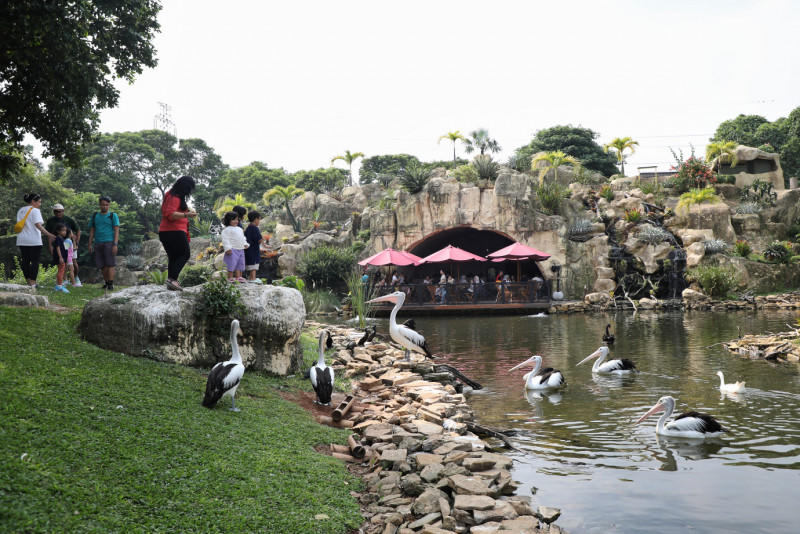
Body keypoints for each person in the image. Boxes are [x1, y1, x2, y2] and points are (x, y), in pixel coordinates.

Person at [159, 176, 197, 291]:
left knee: (174, 257)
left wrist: (187, 212)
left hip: (165, 231)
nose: (190, 191)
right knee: (185, 254)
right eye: (190, 188)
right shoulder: (174, 197)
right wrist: (187, 215)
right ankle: (172, 279)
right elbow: (170, 215)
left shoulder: (171, 194)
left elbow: (172, 211)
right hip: (174, 231)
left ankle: (171, 282)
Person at [15, 193, 56, 287]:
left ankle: (28, 281)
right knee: (35, 261)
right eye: (39, 202)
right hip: (33, 240)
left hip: (22, 239)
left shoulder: (20, 210)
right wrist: (49, 235)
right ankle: (33, 283)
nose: (40, 204)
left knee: (25, 261)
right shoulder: (35, 211)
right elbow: (38, 225)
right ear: (33, 201)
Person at [87, 195, 120, 290]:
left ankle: (111, 284)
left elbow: (116, 230)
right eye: (102, 204)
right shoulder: (95, 216)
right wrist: (90, 244)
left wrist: (115, 244)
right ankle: (106, 283)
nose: (104, 206)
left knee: (110, 264)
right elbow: (92, 230)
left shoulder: (113, 215)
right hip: (98, 242)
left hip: (109, 242)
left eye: (106, 205)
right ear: (99, 205)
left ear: (109, 205)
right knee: (102, 265)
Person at [45, 203, 82, 286]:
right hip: (60, 243)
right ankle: (65, 279)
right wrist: (50, 245)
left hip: (69, 243)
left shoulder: (68, 219)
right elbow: (49, 233)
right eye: (55, 212)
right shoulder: (51, 221)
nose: (58, 213)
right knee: (63, 263)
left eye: (59, 212)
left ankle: (76, 277)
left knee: (74, 262)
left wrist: (76, 243)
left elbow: (78, 230)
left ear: (63, 211)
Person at [221, 211, 249, 282]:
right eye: (233, 219)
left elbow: (242, 238)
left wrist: (245, 243)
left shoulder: (239, 229)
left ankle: (238, 277)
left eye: (237, 219)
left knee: (239, 265)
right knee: (231, 264)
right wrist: (227, 248)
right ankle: (230, 277)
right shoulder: (226, 230)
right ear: (228, 220)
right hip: (232, 250)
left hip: (241, 249)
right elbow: (226, 240)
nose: (236, 221)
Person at [244, 210, 265, 283]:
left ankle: (251, 278)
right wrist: (265, 245)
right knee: (254, 264)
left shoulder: (247, 228)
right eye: (259, 219)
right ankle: (253, 279)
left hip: (248, 250)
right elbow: (259, 238)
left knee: (251, 264)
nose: (259, 221)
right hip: (253, 250)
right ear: (256, 219)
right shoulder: (255, 228)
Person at [52, 223, 69, 293]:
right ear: (58, 231)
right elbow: (58, 248)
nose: (65, 232)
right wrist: (60, 257)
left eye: (65, 230)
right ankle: (59, 285)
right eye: (63, 230)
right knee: (61, 271)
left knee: (61, 270)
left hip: (64, 257)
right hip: (61, 258)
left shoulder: (62, 239)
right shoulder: (58, 239)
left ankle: (59, 284)